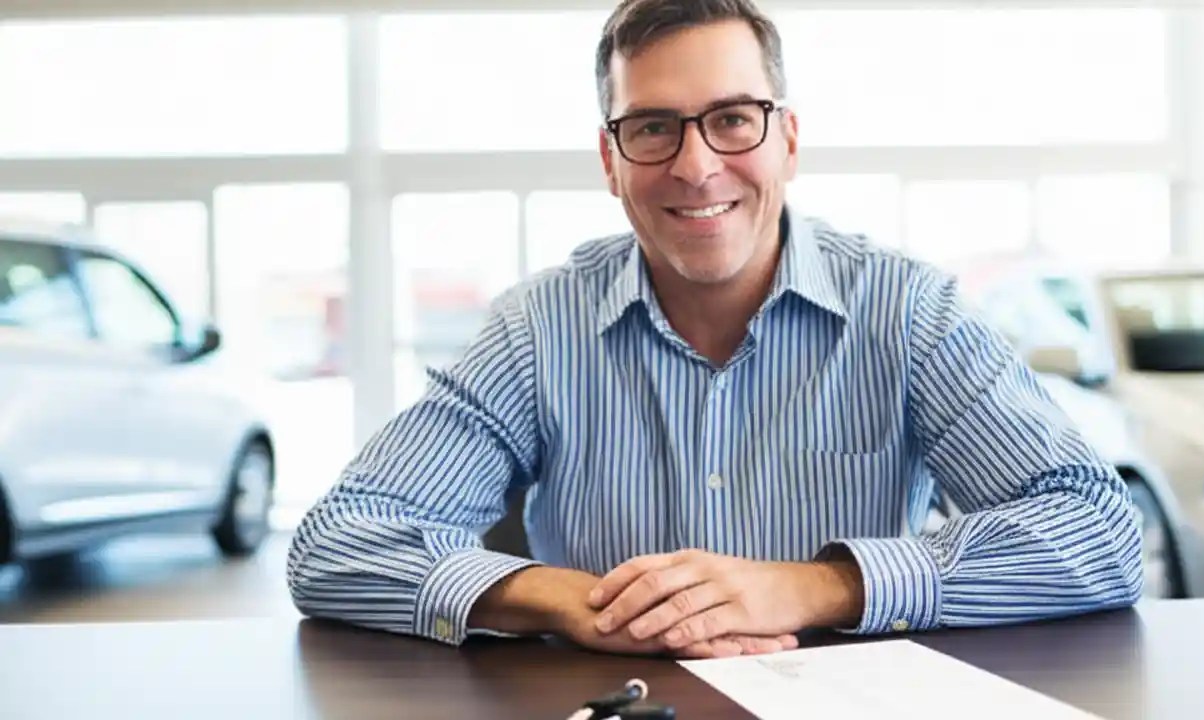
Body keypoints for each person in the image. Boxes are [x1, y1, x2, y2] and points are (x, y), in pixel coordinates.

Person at [287, 0, 1142, 659]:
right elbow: (337, 543)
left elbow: (1098, 530)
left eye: (733, 118)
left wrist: (820, 587)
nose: (697, 167)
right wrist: (573, 603)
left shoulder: (909, 312)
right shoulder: (537, 330)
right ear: (610, 161)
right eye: (653, 127)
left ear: (788, 139)